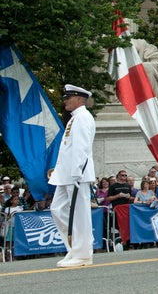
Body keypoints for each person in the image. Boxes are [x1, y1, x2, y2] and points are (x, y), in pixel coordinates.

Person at [50, 84, 97, 268]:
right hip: (66, 175)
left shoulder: (83, 117)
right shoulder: (75, 118)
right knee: (57, 209)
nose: (65, 101)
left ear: (79, 99)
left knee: (80, 215)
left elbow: (82, 147)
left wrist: (77, 171)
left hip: (76, 174)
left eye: (68, 98)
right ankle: (74, 247)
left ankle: (83, 254)